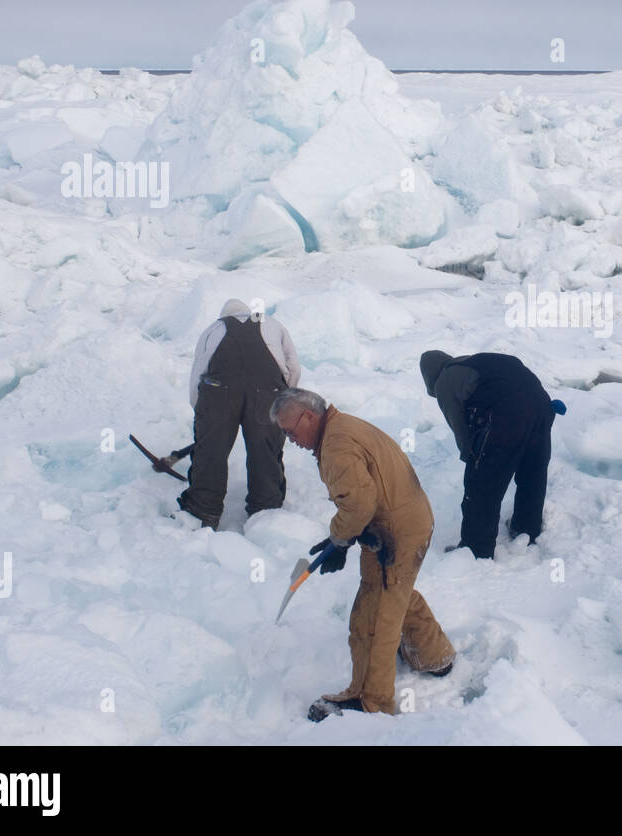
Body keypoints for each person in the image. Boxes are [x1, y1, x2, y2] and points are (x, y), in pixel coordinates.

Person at [270, 388, 456, 719]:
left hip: (395, 531)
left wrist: (340, 539)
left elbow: (358, 504)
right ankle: (432, 654)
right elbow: (365, 496)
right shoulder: (341, 427)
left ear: (308, 417)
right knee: (393, 593)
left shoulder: (337, 445)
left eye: (290, 430)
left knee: (374, 614)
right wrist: (346, 535)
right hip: (394, 523)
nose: (290, 439)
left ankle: (370, 701)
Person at [420, 351, 561, 559]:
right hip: (542, 406)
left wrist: (475, 461)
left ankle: (475, 549)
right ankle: (525, 529)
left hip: (508, 415)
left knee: (483, 485)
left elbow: (459, 428)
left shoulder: (445, 381)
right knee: (532, 473)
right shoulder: (475, 363)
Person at [175, 299, 300, 529]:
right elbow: (293, 365)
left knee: (211, 450)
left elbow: (198, 373)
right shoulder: (273, 324)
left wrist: (203, 415)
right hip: (267, 392)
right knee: (265, 449)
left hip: (218, 392)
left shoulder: (213, 329)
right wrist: (285, 398)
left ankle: (203, 512)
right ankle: (265, 512)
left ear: (225, 315)